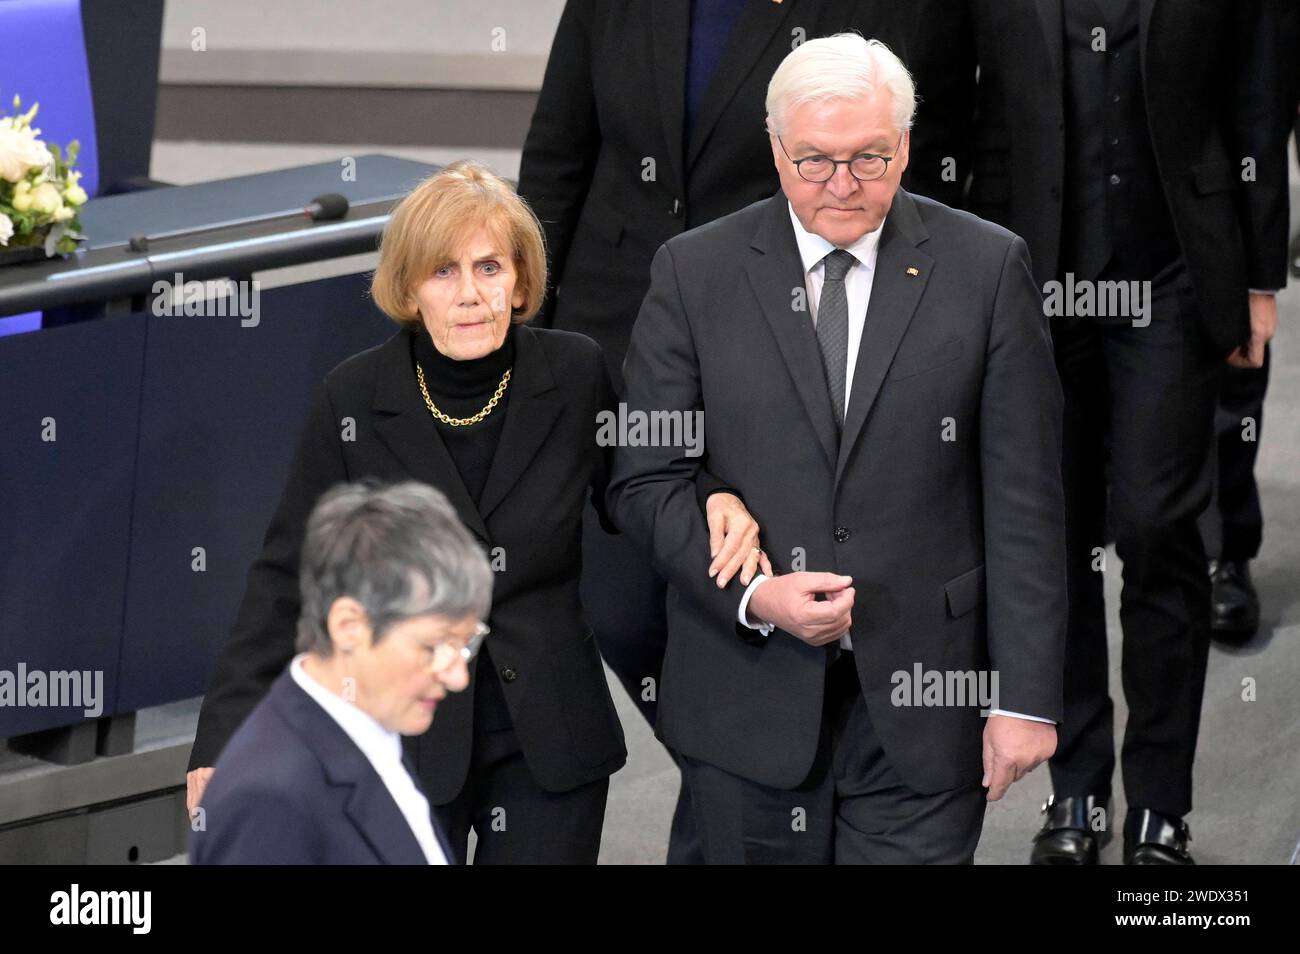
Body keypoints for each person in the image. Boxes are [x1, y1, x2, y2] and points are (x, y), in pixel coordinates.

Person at [186, 160, 768, 863]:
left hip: (550, 742)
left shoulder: (575, 372)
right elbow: (288, 577)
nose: (470, 295)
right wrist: (222, 741)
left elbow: (640, 486)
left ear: (520, 280)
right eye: (443, 273)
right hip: (403, 736)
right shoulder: (354, 398)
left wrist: (716, 496)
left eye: (490, 268)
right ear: (407, 287)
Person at [608, 34, 1068, 864]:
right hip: (746, 701)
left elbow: (1026, 500)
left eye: (870, 158)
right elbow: (644, 480)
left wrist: (1028, 698)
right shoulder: (693, 271)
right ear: (777, 150)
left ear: (905, 146)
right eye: (816, 161)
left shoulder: (988, 268)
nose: (844, 187)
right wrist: (756, 595)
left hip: (925, 707)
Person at [517, 0, 907, 863]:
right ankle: (741, 783)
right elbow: (556, 159)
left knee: (744, 580)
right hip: (611, 338)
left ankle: (746, 805)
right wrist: (527, 343)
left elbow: (878, 175)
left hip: (774, 342)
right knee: (620, 605)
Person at [906, 0, 1290, 864]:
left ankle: (1161, 806)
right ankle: (1074, 793)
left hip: (1172, 275)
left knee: (1160, 531)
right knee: (1054, 539)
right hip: (1028, 274)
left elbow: (1257, 99)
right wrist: (925, 270)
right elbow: (938, 103)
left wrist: (1261, 277)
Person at [191, 481, 486, 864]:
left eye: (467, 643)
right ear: (349, 627)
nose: (457, 676)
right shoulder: (267, 799)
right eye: (433, 647)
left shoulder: (376, 733)